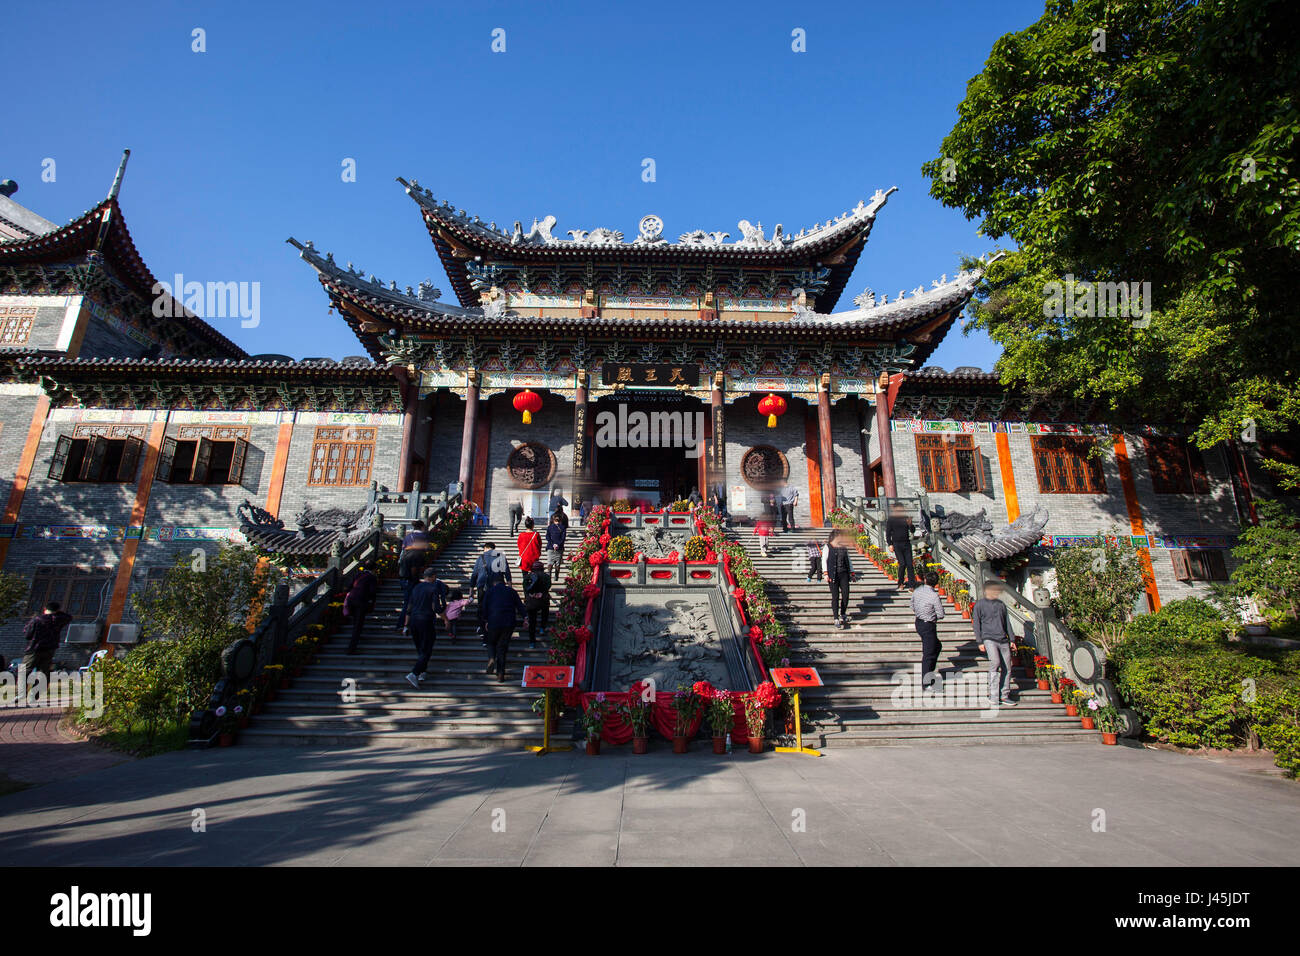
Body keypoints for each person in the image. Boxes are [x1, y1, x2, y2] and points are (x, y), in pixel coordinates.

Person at [973, 579, 1016, 706]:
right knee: (995, 663)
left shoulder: (1001, 605)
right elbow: (976, 624)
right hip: (989, 638)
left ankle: (1004, 694)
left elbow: (1007, 623)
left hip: (1003, 639)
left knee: (1007, 667)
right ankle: (993, 694)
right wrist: (979, 641)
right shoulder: (979, 605)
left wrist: (1012, 639)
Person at [404, 568, 449, 688]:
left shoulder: (416, 588)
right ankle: (414, 673)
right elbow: (436, 608)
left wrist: (405, 625)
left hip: (413, 620)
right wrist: (445, 619)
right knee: (427, 648)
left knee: (420, 648)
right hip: (426, 620)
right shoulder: (433, 589)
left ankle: (422, 672)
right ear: (433, 577)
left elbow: (409, 607)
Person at [481, 576, 526, 682]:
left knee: (491, 642)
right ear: (504, 582)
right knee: (502, 648)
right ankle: (500, 673)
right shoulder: (511, 591)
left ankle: (492, 658)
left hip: (493, 620)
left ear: (494, 583)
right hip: (508, 622)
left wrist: (485, 620)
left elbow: (484, 607)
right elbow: (520, 606)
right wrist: (525, 617)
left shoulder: (489, 591)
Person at [21, 601, 72, 694]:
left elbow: (27, 634)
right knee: (43, 672)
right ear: (57, 610)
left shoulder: (37, 619)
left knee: (25, 671)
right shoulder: (59, 619)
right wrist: (57, 612)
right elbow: (68, 617)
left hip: (34, 649)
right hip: (50, 649)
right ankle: (35, 694)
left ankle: (21, 693)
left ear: (45, 609)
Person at [910, 570, 945, 692]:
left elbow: (912, 605)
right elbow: (941, 614)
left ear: (925, 580)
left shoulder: (917, 591)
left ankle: (929, 672)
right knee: (928, 654)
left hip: (918, 622)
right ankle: (927, 682)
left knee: (937, 646)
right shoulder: (934, 596)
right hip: (928, 624)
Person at [471, 541, 510, 639]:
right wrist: (509, 589)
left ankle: (483, 629)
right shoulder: (500, 557)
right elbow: (507, 574)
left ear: (486, 548)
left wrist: (471, 591)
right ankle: (496, 628)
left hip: (482, 587)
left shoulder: (481, 557)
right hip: (498, 588)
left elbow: (474, 575)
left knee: (482, 608)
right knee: (497, 607)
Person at [343, 562, 378, 654]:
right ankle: (351, 648)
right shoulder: (372, 578)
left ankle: (355, 637)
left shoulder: (358, 574)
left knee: (356, 622)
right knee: (358, 624)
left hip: (351, 600)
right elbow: (372, 591)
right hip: (361, 601)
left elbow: (349, 587)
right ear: (373, 569)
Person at [824, 532, 853, 629]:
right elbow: (824, 560)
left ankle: (843, 613)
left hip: (844, 573)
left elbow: (848, 560)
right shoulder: (828, 547)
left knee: (846, 595)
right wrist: (825, 573)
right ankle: (836, 617)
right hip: (833, 575)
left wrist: (852, 572)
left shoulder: (843, 547)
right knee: (835, 596)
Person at [396, 543, 428, 634]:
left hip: (404, 580)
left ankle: (406, 623)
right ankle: (402, 624)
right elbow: (413, 569)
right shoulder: (414, 555)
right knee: (408, 603)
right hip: (410, 581)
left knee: (409, 602)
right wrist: (416, 581)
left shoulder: (405, 554)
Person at [885, 503, 917, 590]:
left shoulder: (905, 517)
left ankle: (911, 585)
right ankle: (900, 583)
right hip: (897, 544)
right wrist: (890, 544)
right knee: (902, 564)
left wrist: (910, 524)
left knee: (910, 564)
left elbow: (912, 530)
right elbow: (888, 533)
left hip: (906, 543)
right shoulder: (891, 519)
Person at [523, 558, 552, 649]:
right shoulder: (546, 576)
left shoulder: (528, 577)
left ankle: (532, 641)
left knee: (532, 621)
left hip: (531, 601)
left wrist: (531, 594)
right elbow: (548, 586)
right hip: (543, 599)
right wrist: (542, 593)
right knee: (545, 613)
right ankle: (542, 627)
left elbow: (525, 587)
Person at [545, 511, 567, 576]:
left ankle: (549, 574)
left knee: (550, 562)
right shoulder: (563, 528)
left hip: (550, 547)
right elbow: (563, 538)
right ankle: (556, 575)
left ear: (553, 520)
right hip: (559, 548)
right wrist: (558, 544)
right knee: (557, 563)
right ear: (560, 520)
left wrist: (553, 544)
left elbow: (547, 537)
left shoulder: (550, 527)